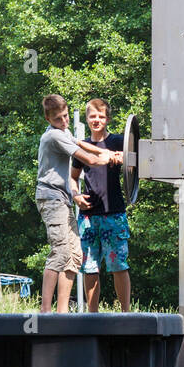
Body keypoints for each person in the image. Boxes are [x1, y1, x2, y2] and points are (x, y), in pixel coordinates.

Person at [36, 93, 121, 314]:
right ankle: (46, 311)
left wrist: (107, 151)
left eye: (65, 116)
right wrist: (112, 158)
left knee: (74, 255)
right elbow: (89, 159)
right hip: (51, 198)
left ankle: (62, 313)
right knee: (60, 252)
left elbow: (83, 144)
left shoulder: (63, 131)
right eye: (58, 119)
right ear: (48, 119)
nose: (64, 122)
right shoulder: (53, 136)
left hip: (62, 199)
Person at [71, 98, 131, 313]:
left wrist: (122, 157)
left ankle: (126, 313)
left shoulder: (118, 141)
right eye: (93, 116)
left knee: (119, 266)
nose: (97, 120)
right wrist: (76, 195)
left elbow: (135, 159)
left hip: (114, 213)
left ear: (108, 119)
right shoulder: (81, 148)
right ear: (87, 119)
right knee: (89, 268)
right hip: (88, 216)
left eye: (101, 116)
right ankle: (92, 315)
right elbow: (73, 177)